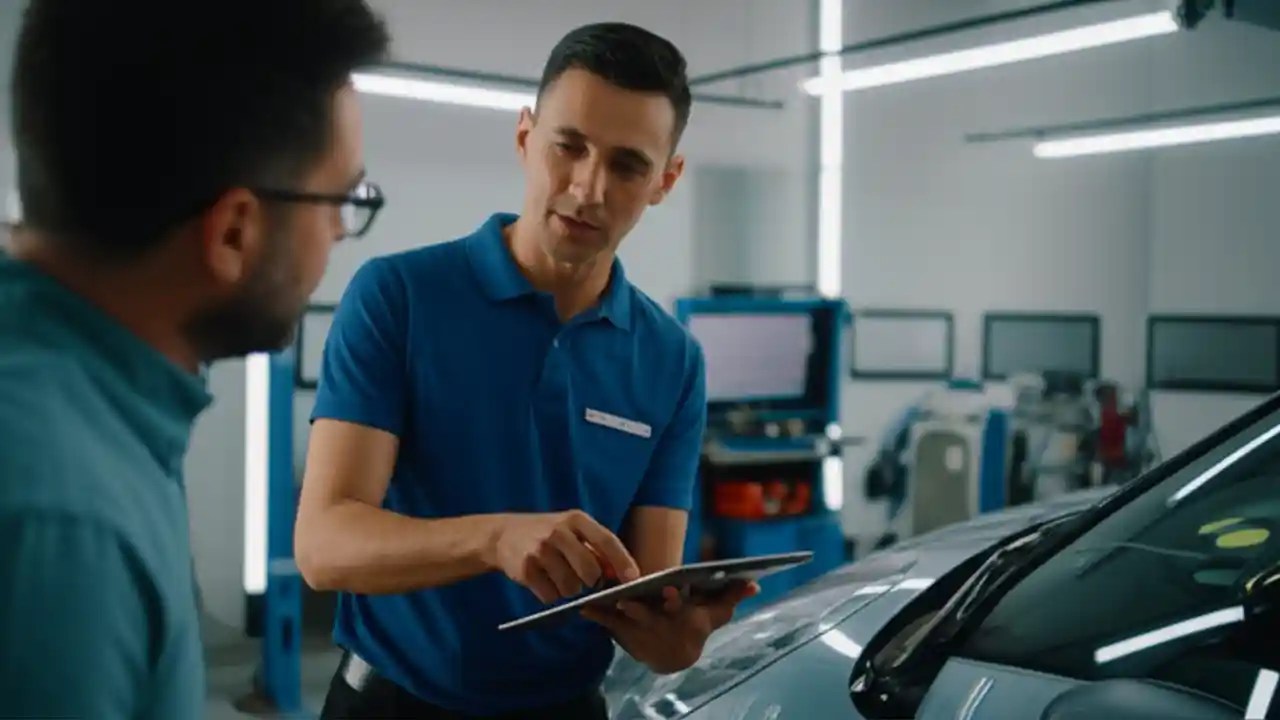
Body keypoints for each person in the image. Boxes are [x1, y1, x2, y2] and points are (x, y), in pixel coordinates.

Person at [296, 21, 756, 720]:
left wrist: (675, 639)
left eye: (628, 165)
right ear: (524, 138)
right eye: (568, 147)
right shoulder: (399, 296)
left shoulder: (672, 361)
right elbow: (324, 545)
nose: (588, 187)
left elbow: (647, 594)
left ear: (665, 180)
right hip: (391, 705)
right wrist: (496, 538)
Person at [0, 1, 389, 717]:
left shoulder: (90, 415)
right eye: (338, 199)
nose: (339, 231)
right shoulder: (66, 527)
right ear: (234, 232)